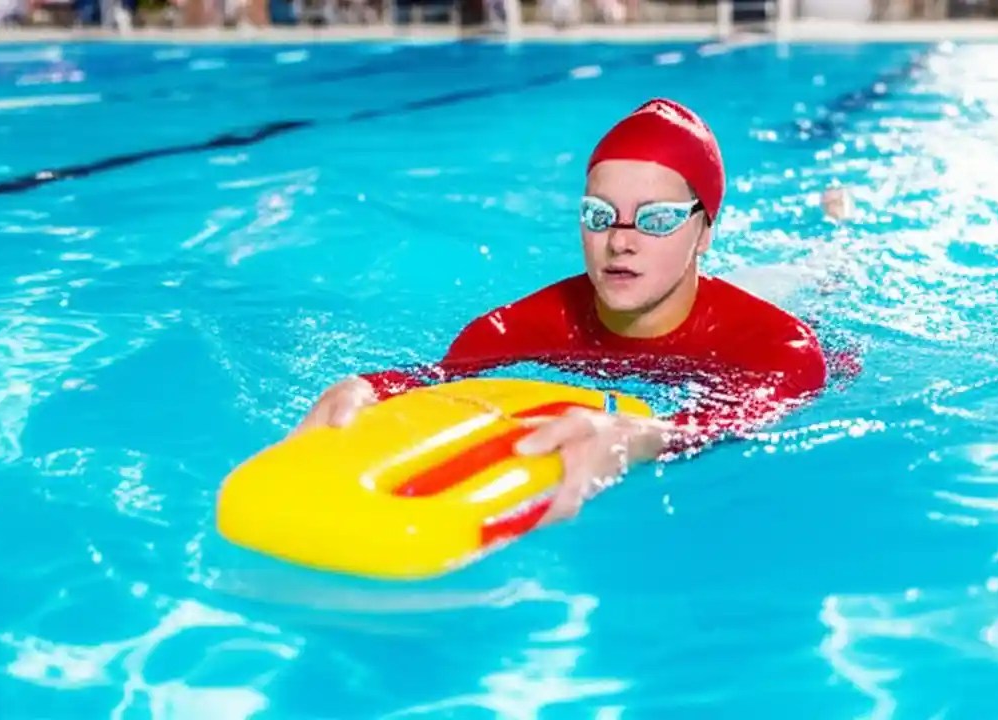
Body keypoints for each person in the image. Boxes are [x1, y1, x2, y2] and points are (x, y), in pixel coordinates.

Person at [296, 98, 831, 525]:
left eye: (657, 219)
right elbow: (437, 378)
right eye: (600, 216)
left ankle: (836, 235)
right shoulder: (523, 325)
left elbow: (748, 413)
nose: (620, 242)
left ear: (705, 231)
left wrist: (640, 436)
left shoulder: (778, 346)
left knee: (819, 274)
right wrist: (370, 387)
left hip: (765, 298)